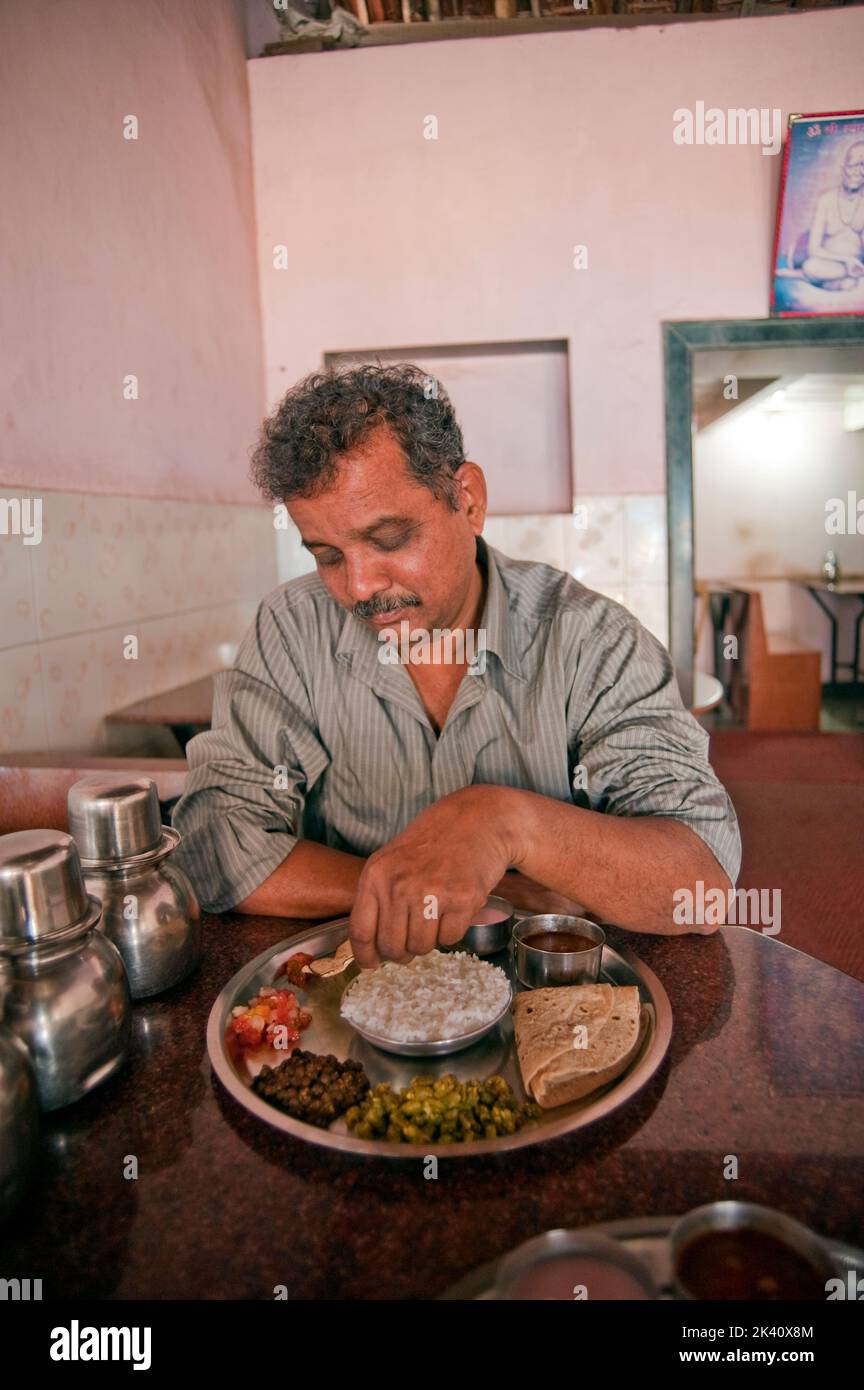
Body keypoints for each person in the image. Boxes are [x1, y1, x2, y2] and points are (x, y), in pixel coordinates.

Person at [171, 364, 740, 966]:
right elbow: (212, 844)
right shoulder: (292, 628)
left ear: (468, 501)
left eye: (389, 539)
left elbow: (698, 888)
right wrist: (437, 889)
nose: (360, 588)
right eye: (329, 555)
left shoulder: (593, 641)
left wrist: (503, 821)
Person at [801, 140, 864, 290]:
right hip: (828, 264)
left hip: (855, 268)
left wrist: (855, 264)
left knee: (849, 284)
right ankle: (841, 280)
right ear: (843, 169)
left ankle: (840, 281)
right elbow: (813, 249)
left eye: (862, 166)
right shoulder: (826, 200)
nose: (857, 172)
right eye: (853, 165)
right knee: (810, 266)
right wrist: (846, 260)